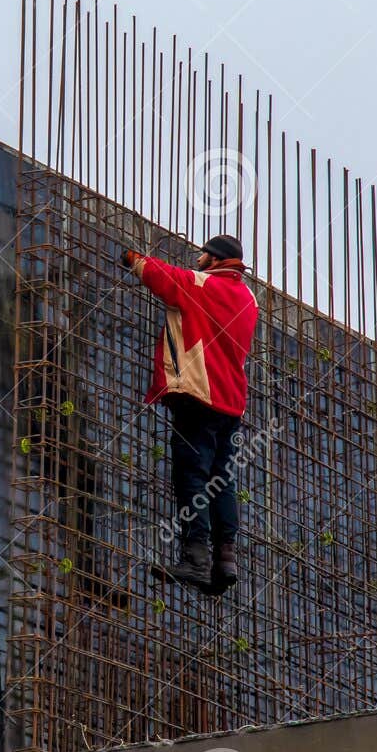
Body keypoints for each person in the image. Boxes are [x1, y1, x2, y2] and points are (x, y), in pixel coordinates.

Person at [120, 234, 258, 596]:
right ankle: (225, 559)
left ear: (215, 260)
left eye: (202, 255)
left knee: (192, 475)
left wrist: (133, 257)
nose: (196, 260)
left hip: (198, 395)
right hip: (232, 405)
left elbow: (164, 277)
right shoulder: (249, 298)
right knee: (221, 479)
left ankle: (195, 557)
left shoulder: (203, 285)